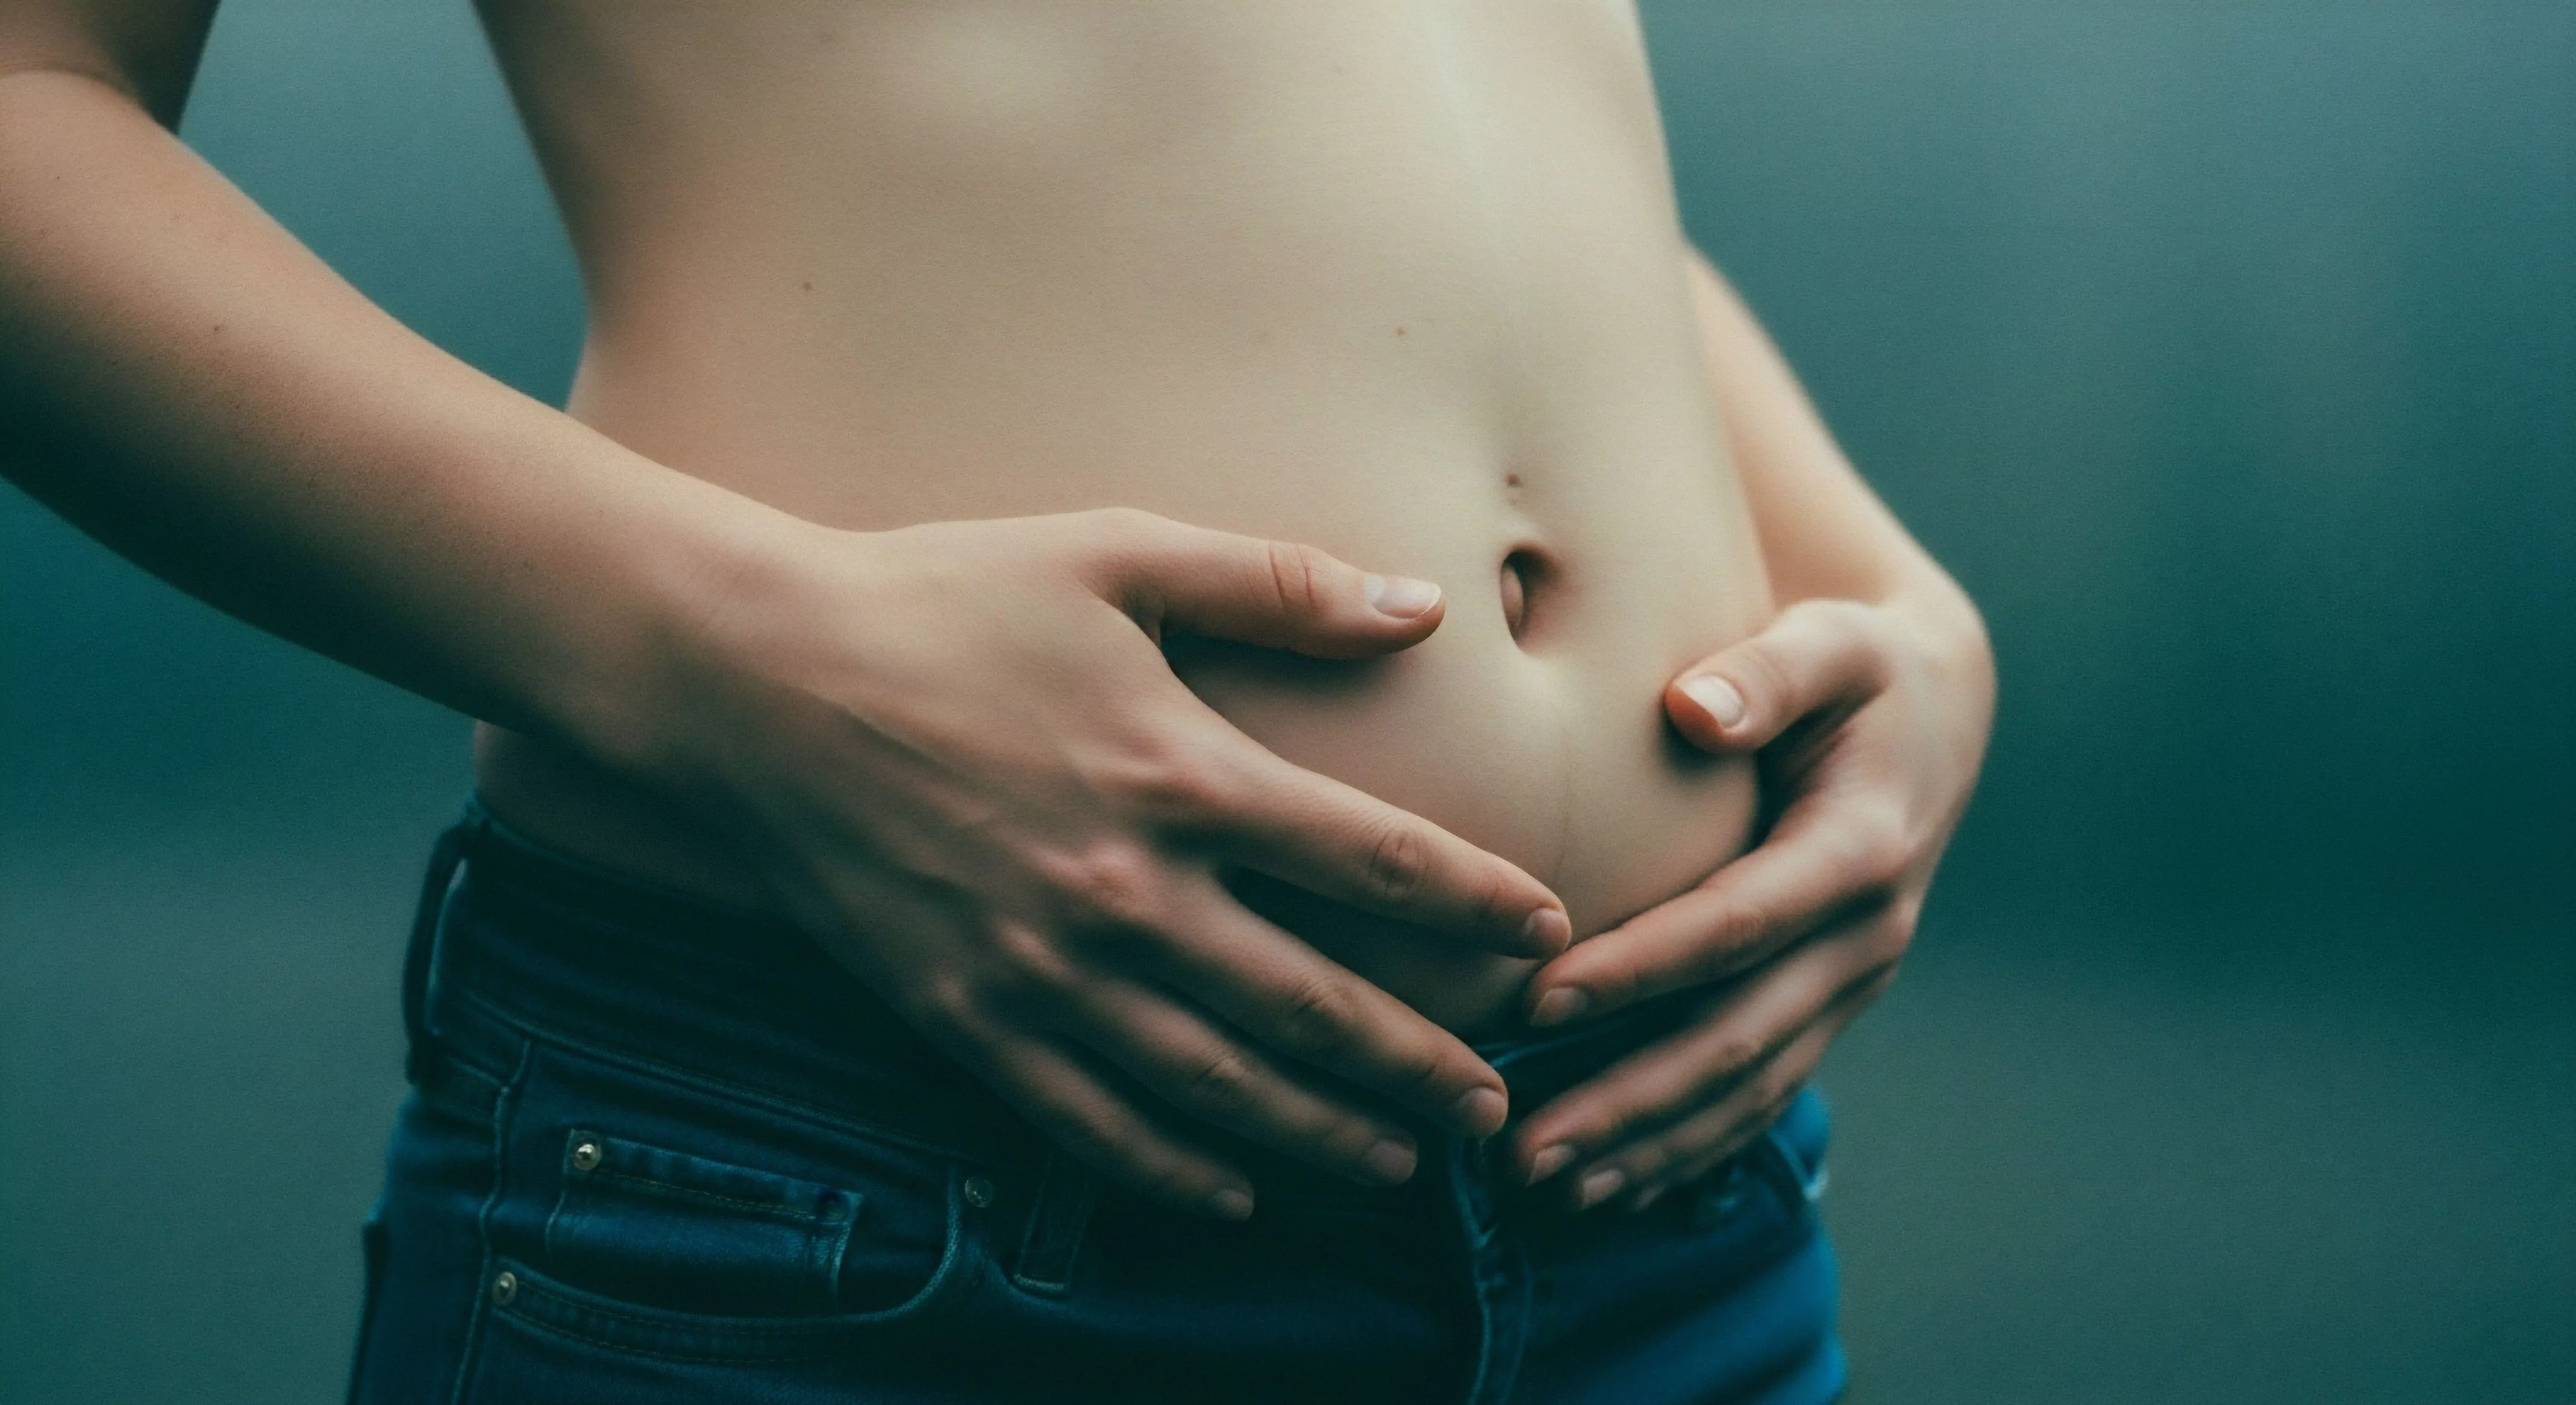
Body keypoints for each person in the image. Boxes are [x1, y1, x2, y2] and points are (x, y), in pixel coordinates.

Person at [0, 2, 1994, 1401]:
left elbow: (1467, 143)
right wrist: (749, 655)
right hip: (852, 1207)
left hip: (1668, 1226)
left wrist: (1886, 597)